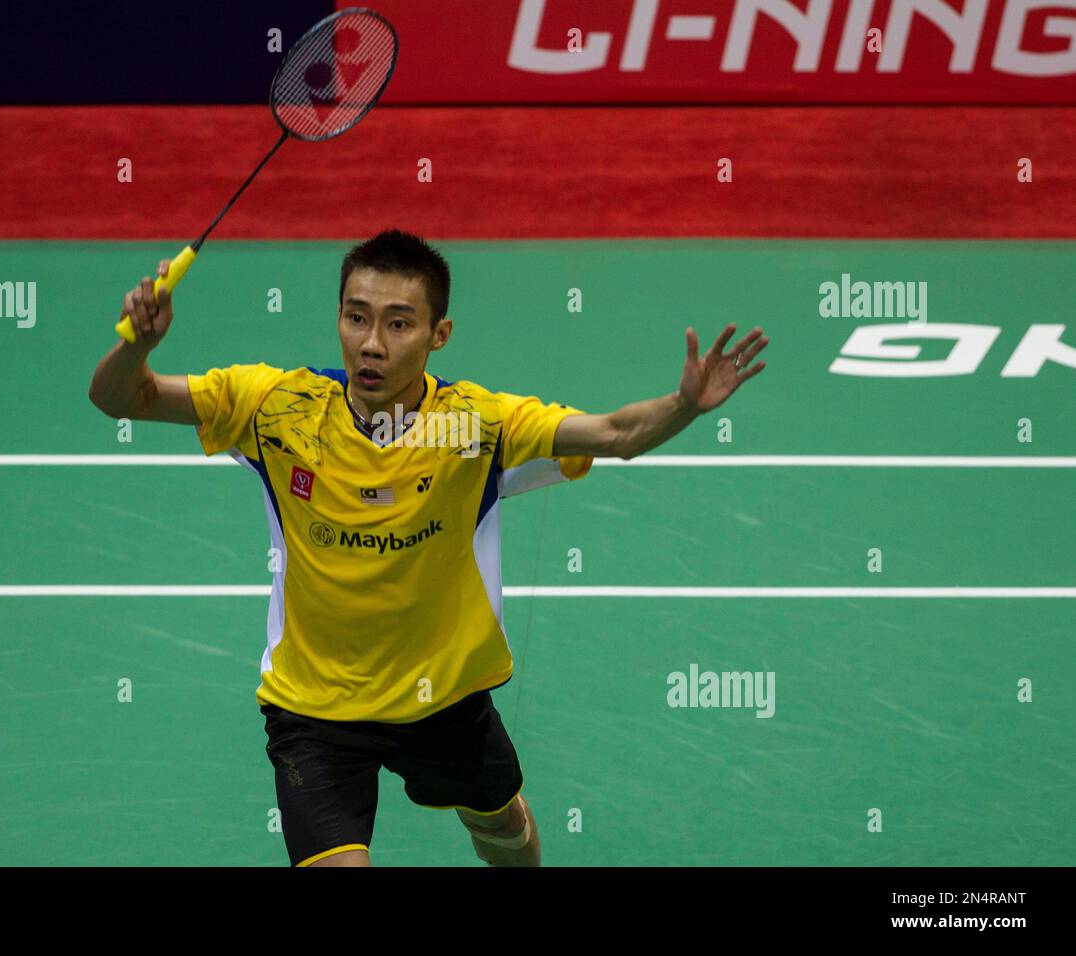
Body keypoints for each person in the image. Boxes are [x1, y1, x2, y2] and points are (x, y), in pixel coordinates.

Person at [88, 229, 768, 866]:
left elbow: (616, 433)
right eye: (356, 317)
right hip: (316, 708)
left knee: (503, 828)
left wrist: (684, 407)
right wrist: (136, 345)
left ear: (439, 334)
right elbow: (124, 399)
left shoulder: (477, 427)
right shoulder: (275, 408)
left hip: (443, 699)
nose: (372, 344)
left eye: (398, 323)